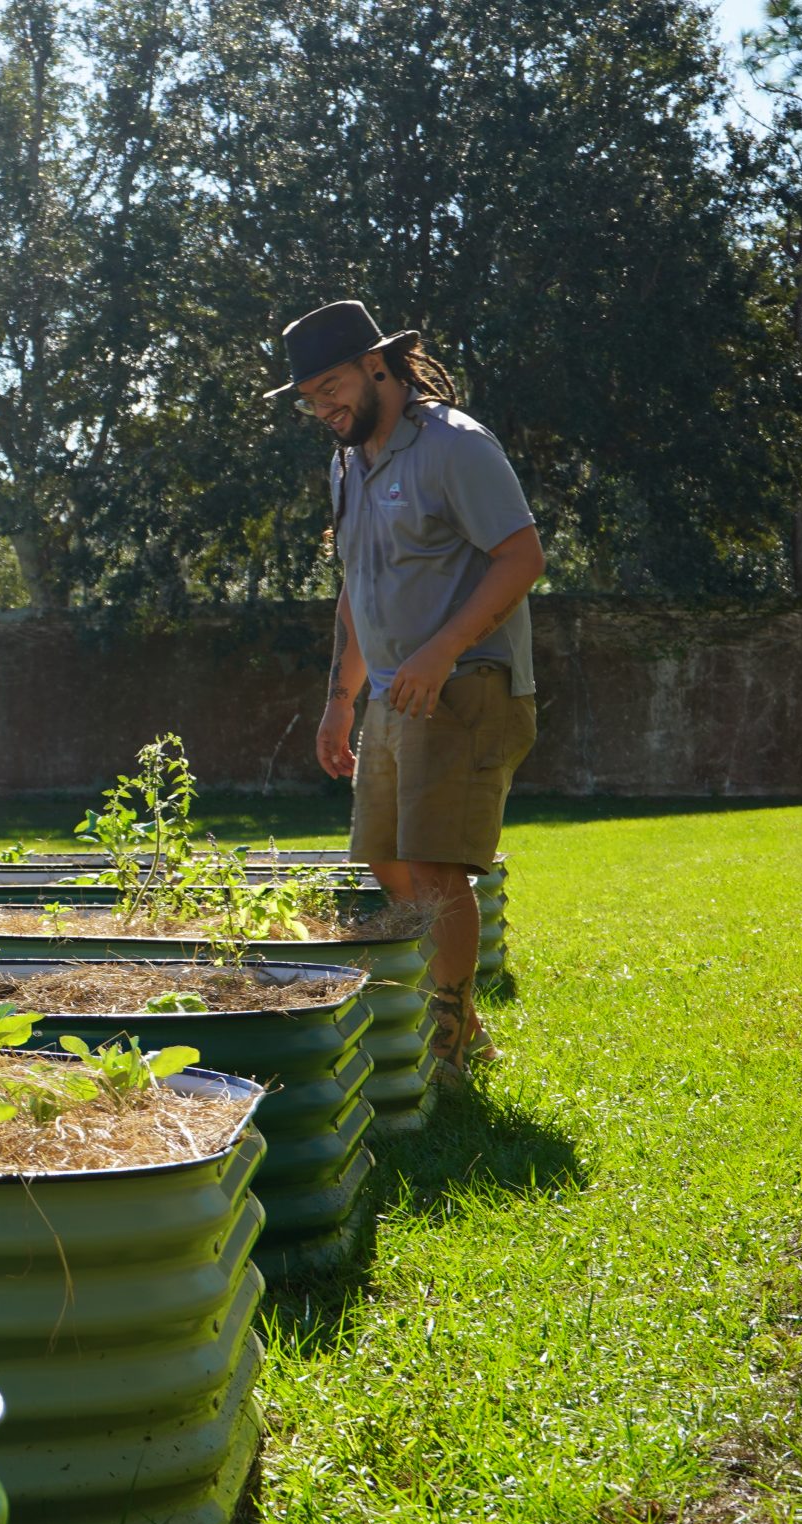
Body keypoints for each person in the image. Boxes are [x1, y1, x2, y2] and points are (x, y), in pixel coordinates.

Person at [273, 300, 542, 1073]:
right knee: (386, 858)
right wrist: (339, 699)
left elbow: (521, 558)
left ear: (378, 365)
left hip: (469, 684)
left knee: (433, 865)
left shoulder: (454, 446)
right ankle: (464, 1032)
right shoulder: (348, 463)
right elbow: (357, 586)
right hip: (394, 694)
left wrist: (440, 653)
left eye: (332, 386)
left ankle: (452, 1052)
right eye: (311, 397)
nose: (324, 407)